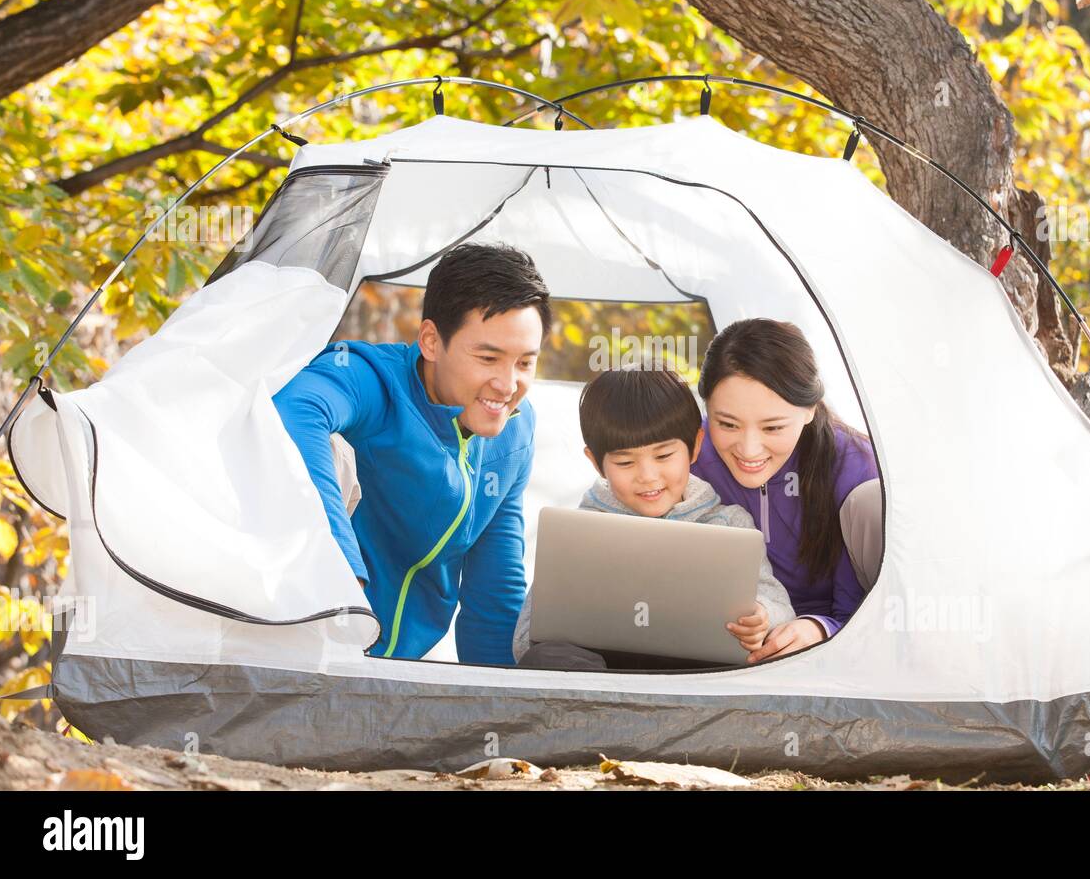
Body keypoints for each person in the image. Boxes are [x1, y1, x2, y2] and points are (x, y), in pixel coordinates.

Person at [271, 243, 549, 664]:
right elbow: (294, 409)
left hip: (402, 675)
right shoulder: (371, 378)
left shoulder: (516, 431)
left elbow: (493, 591)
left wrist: (505, 711)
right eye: (488, 358)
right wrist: (342, 569)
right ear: (432, 341)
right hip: (307, 653)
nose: (508, 385)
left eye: (525, 363)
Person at [513, 367, 795, 669]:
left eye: (663, 457)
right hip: (602, 676)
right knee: (547, 658)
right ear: (596, 463)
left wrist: (761, 616)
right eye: (625, 461)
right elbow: (524, 640)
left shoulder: (729, 524)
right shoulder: (575, 533)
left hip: (697, 670)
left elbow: (780, 607)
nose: (648, 477)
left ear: (695, 446)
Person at [690, 318, 883, 664]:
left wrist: (820, 629)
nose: (749, 450)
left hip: (825, 646)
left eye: (773, 427)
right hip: (720, 637)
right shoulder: (691, 454)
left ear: (809, 410)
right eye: (727, 423)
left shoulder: (854, 465)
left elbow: (869, 607)